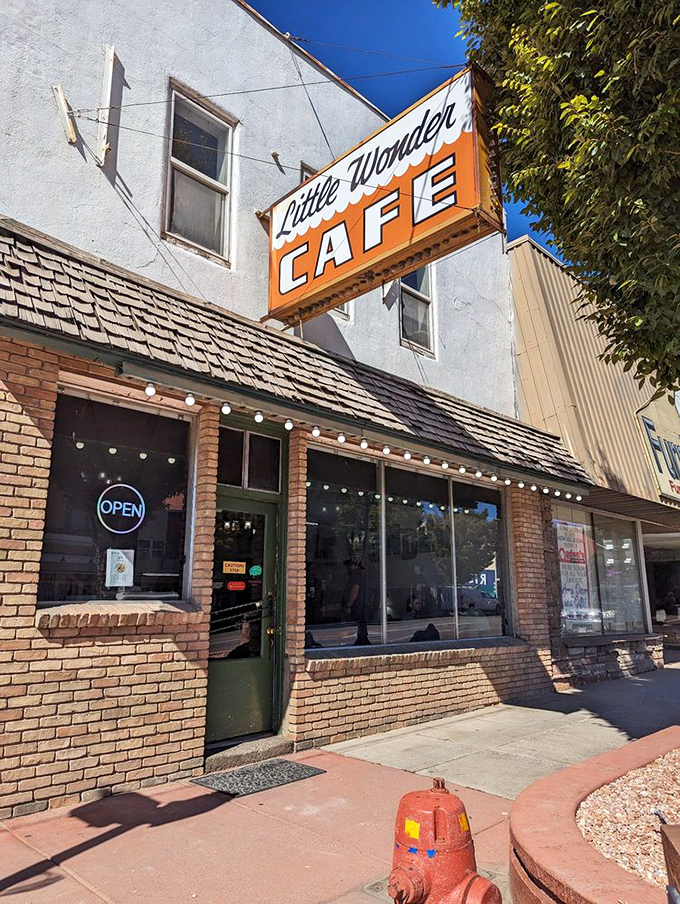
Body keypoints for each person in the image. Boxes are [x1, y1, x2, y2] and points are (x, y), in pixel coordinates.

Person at [343, 555, 370, 646]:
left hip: (358, 607)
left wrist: (348, 606)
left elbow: (355, 590)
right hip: (363, 607)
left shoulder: (356, 575)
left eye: (349, 565)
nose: (348, 568)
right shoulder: (363, 574)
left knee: (359, 627)